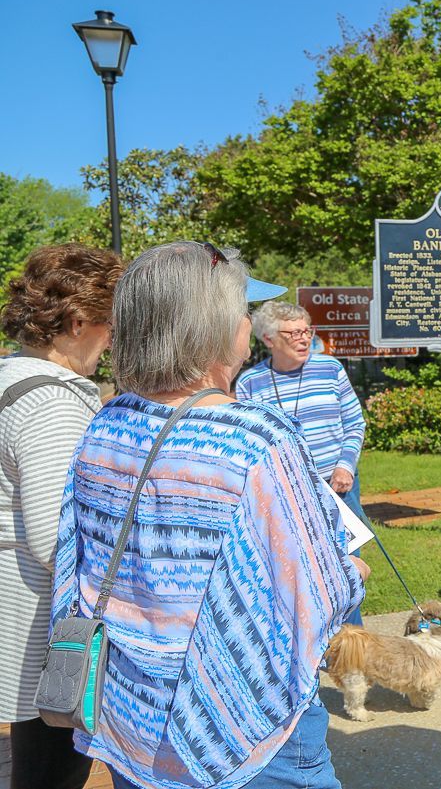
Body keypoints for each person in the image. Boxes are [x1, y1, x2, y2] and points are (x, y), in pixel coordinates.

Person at [51, 241, 367, 789]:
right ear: (213, 328)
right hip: (243, 722)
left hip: (131, 710)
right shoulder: (254, 439)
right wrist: (351, 574)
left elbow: (74, 565)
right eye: (244, 310)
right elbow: (315, 591)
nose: (249, 323)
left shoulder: (104, 427)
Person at [0, 244, 122, 789]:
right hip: (42, 627)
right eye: (112, 325)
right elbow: (58, 540)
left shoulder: (11, 378)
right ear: (78, 322)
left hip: (20, 606)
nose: (115, 339)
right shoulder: (52, 400)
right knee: (53, 768)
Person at [236, 301, 368, 624]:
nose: (303, 338)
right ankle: (312, 657)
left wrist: (345, 466)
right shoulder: (249, 384)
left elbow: (355, 425)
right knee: (300, 578)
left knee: (347, 574)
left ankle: (352, 657)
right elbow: (248, 444)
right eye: (293, 332)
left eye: (307, 331)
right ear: (268, 339)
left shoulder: (331, 370)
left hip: (339, 489)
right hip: (287, 498)